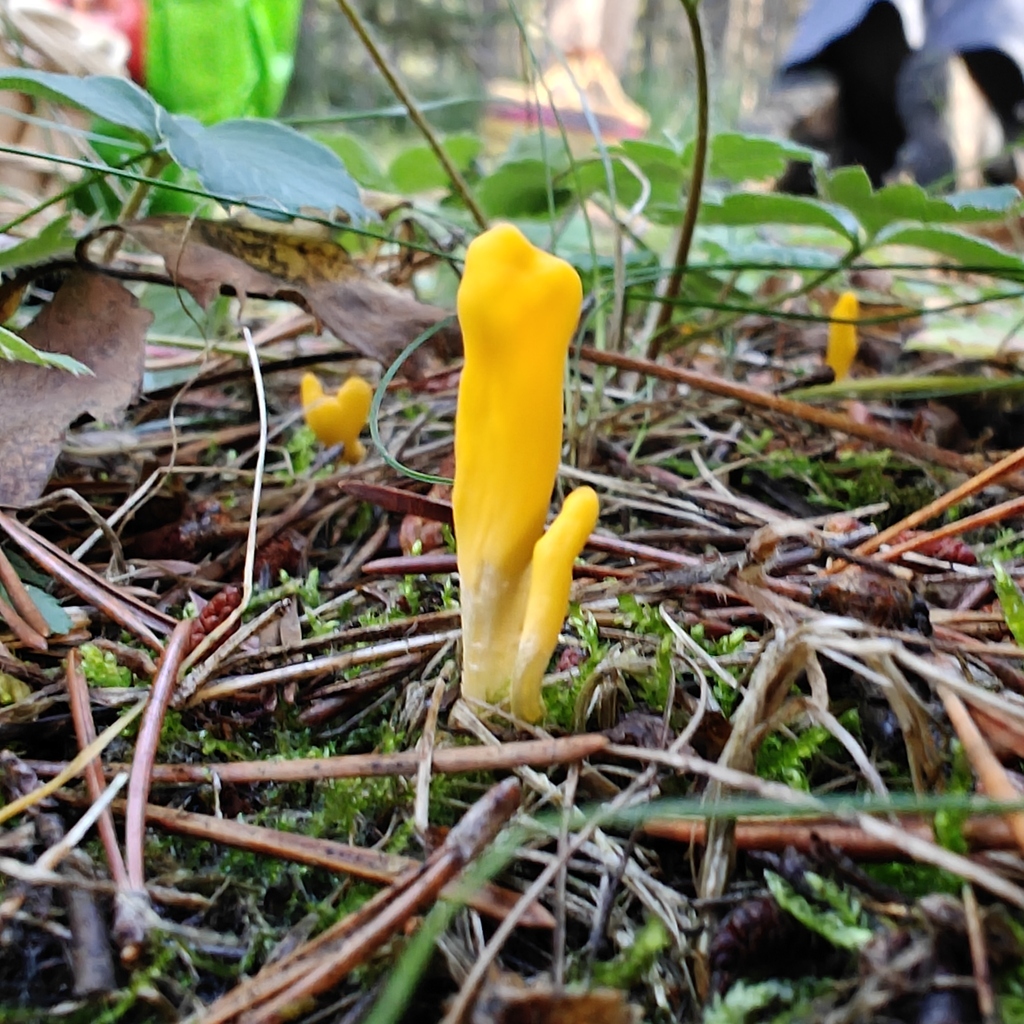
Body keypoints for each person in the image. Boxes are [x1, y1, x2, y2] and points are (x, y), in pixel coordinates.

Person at [779, 0, 1024, 190]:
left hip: (834, 41)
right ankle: (976, 112)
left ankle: (805, 146)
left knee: (851, 156)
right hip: (971, 42)